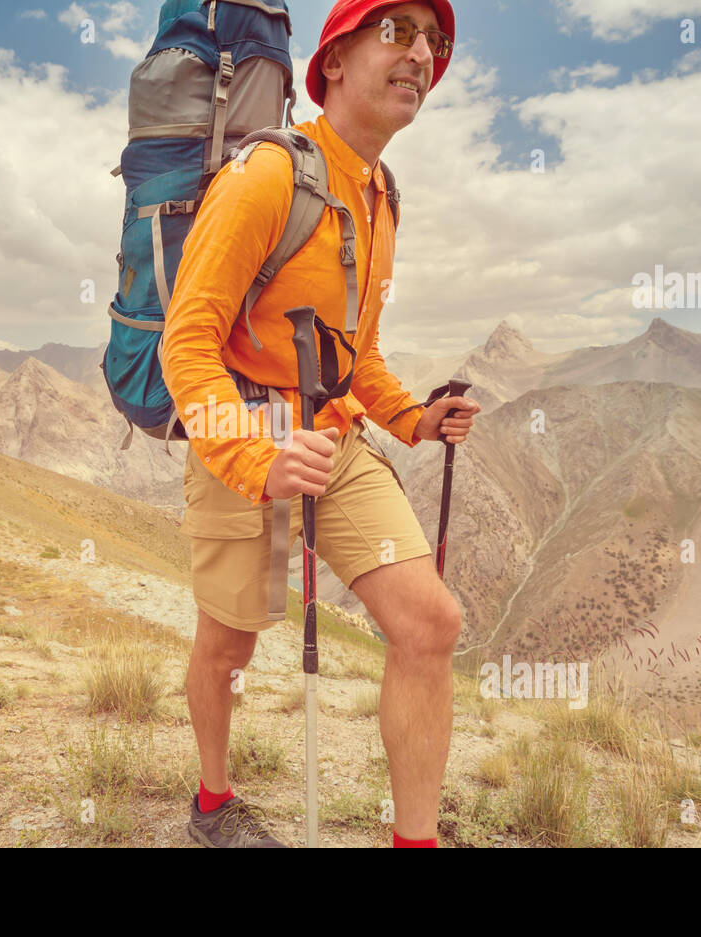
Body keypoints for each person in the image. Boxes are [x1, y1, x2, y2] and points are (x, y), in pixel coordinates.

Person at [162, 0, 479, 848]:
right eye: (399, 30)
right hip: (246, 442)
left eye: (435, 41)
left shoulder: (381, 197)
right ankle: (213, 800)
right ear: (333, 60)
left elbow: (356, 354)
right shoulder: (266, 176)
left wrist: (414, 418)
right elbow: (186, 344)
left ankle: (415, 841)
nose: (422, 52)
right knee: (227, 651)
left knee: (430, 622)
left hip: (333, 443)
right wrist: (254, 457)